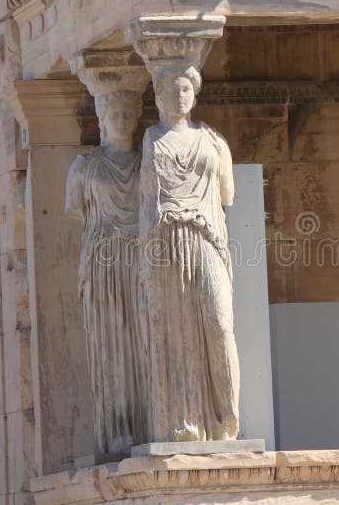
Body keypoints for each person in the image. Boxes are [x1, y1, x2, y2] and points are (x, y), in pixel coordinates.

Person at [139, 64, 240, 442]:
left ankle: (226, 418)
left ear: (194, 94)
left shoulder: (213, 141)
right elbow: (144, 205)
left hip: (208, 238)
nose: (179, 96)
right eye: (171, 89)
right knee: (176, 332)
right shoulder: (151, 140)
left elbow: (227, 194)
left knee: (219, 325)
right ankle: (186, 425)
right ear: (157, 95)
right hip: (165, 243)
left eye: (185, 89)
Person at [65, 89, 148, 454]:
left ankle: (148, 424)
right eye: (114, 114)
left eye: (128, 115)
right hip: (103, 264)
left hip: (142, 259)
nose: (122, 121)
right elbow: (75, 209)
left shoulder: (149, 162)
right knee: (111, 343)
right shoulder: (84, 166)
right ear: (101, 119)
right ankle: (116, 431)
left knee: (144, 341)